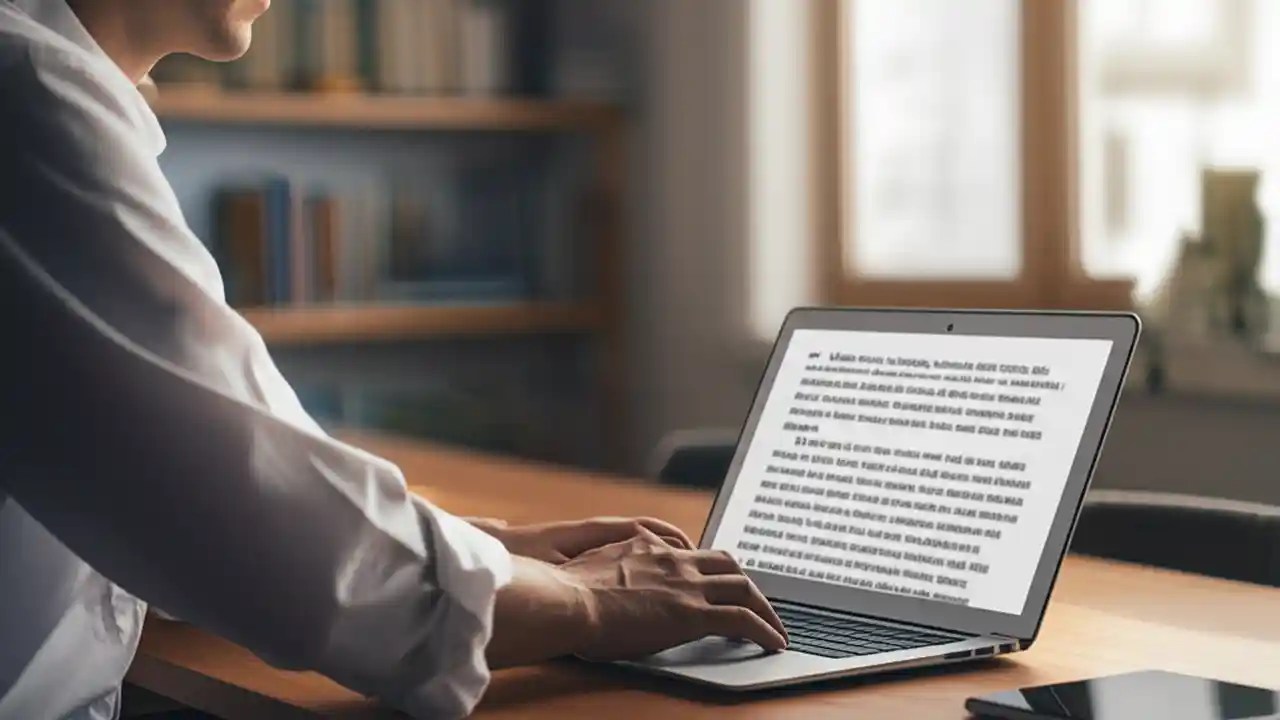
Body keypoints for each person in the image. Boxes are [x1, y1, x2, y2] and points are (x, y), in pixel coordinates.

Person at [0, 1, 788, 718]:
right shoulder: (26, 95)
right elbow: (262, 522)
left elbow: (171, 490)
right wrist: (585, 600)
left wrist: (482, 554)